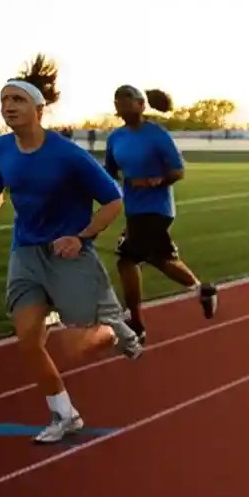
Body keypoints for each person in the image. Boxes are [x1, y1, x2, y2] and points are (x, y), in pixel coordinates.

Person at [0, 62, 142, 444]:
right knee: (28, 339)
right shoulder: (0, 147)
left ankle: (116, 325)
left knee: (91, 333)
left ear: (38, 110)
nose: (9, 106)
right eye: (5, 99)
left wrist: (81, 236)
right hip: (25, 253)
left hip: (68, 252)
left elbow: (112, 201)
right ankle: (63, 413)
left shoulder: (67, 155)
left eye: (18, 99)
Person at [105, 85, 218, 342]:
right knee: (157, 257)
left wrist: (154, 181)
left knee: (128, 258)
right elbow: (110, 171)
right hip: (134, 209)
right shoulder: (115, 138)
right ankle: (202, 290)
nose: (122, 107)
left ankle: (137, 323)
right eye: (118, 102)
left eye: (127, 101)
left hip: (158, 208)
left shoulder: (157, 135)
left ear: (141, 105)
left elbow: (178, 171)